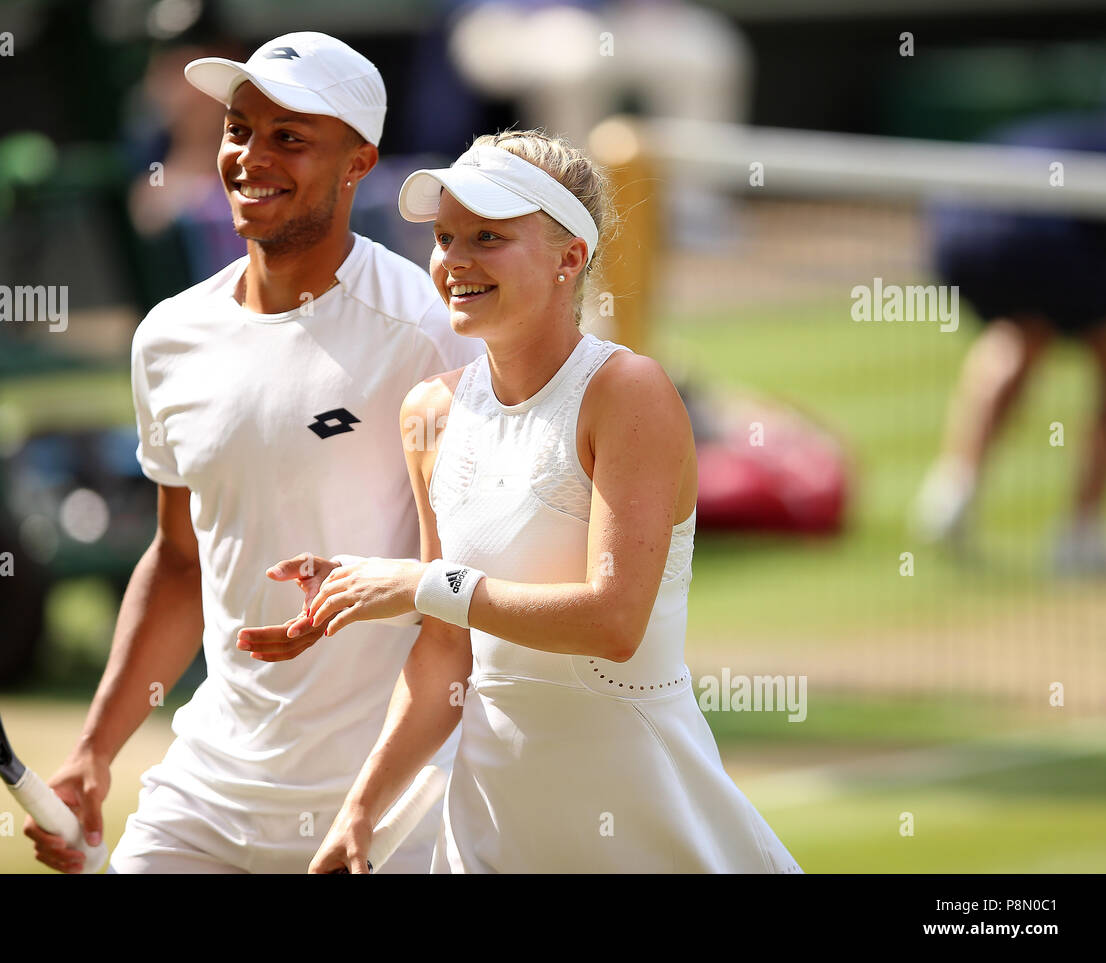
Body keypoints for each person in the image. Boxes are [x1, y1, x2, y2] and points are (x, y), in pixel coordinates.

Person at [276, 130, 802, 872]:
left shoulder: (627, 392)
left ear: (569, 257)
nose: (455, 259)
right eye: (446, 236)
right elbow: (447, 652)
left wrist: (420, 585)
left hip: (649, 823)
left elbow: (615, 619)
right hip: (492, 829)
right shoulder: (428, 411)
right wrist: (362, 810)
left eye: (488, 236)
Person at [23, 32, 481, 874]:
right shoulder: (168, 338)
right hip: (209, 790)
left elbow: (461, 591)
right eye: (239, 129)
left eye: (289, 138)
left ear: (358, 164)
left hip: (393, 804)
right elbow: (179, 561)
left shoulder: (426, 335)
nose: (248, 157)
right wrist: (95, 752)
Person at [911, 112, 1106, 573]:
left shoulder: (1069, 134)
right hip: (1035, 232)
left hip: (955, 230)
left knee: (1017, 336)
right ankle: (1078, 537)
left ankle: (950, 500)